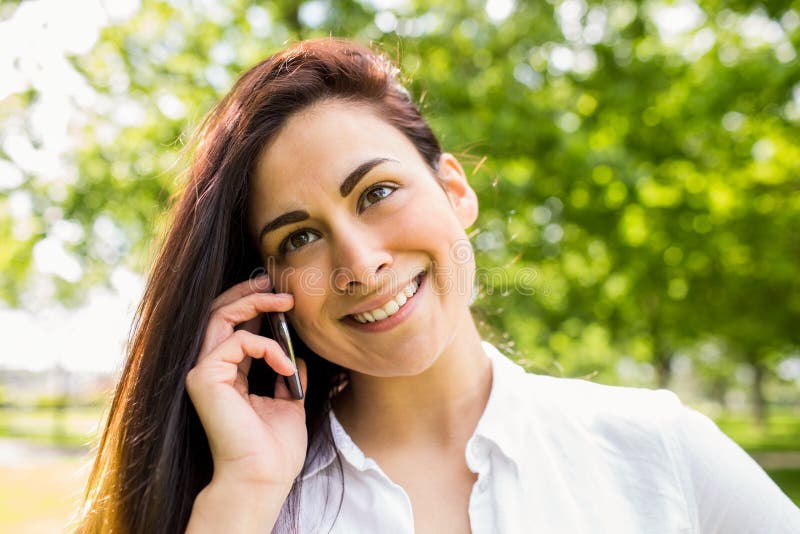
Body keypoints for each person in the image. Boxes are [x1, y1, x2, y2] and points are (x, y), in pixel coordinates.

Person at [75, 38, 799, 533]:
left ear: (454, 189)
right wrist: (245, 493)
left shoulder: (653, 449)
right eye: (299, 236)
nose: (360, 264)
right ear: (267, 286)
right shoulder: (254, 499)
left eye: (377, 192)